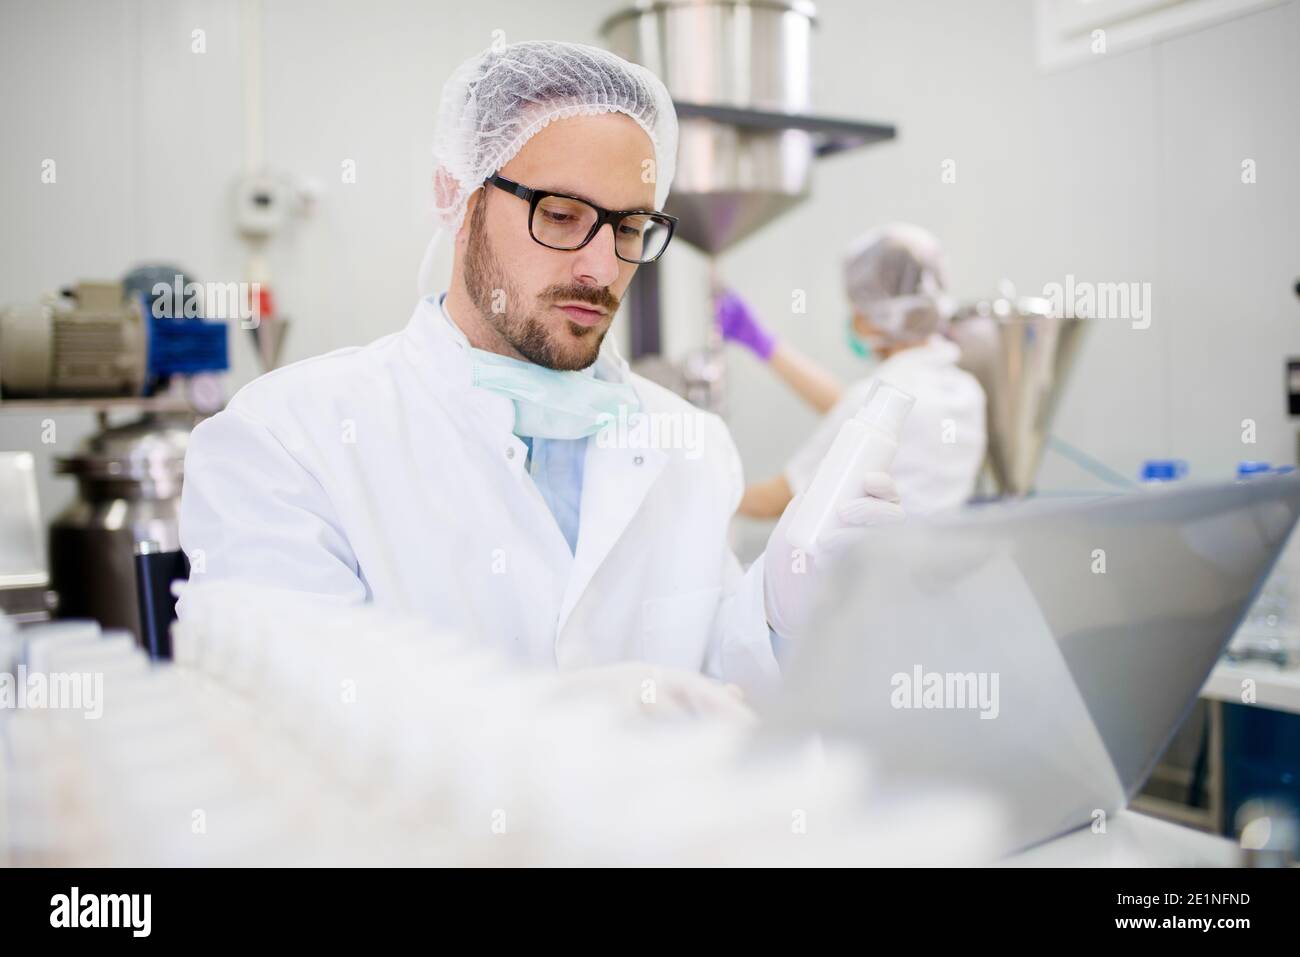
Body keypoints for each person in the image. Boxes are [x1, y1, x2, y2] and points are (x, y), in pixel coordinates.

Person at [176, 41, 903, 698]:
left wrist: (777, 615)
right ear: (455, 195)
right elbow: (287, 727)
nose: (601, 268)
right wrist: (565, 722)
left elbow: (718, 687)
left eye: (628, 228)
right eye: (559, 215)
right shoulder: (289, 440)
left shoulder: (691, 443)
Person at [718, 223, 986, 519]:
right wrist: (765, 346)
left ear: (873, 318)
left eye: (856, 309)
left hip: (881, 563)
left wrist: (708, 487)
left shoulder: (875, 398)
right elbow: (853, 409)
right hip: (935, 561)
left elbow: (773, 501)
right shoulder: (965, 390)